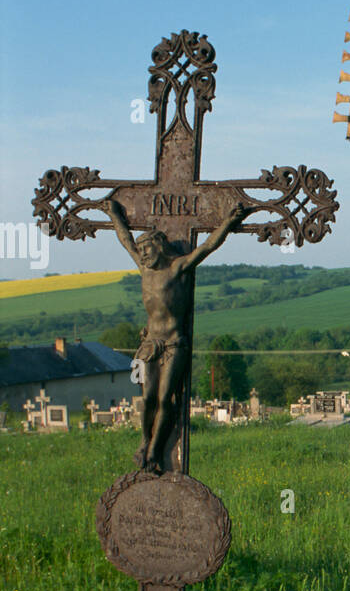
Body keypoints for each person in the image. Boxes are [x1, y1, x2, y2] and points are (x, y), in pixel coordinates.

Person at [104, 198, 254, 471]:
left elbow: (208, 246)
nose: (143, 254)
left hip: (174, 343)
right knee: (148, 398)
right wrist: (115, 213)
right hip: (149, 344)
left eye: (147, 248)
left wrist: (229, 223)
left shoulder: (177, 268)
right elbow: (124, 239)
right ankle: (144, 440)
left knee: (165, 399)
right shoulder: (143, 269)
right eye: (141, 250)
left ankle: (155, 452)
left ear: (159, 247)